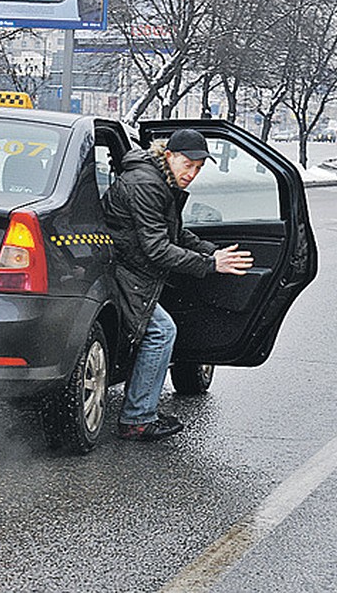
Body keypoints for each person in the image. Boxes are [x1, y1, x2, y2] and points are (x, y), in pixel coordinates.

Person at [101, 129, 253, 441]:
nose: (192, 173)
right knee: (161, 331)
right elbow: (157, 248)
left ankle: (138, 410)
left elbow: (175, 234)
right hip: (122, 271)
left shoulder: (160, 180)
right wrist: (210, 265)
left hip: (131, 267)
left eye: (198, 168)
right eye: (188, 164)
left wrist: (211, 251)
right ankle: (137, 419)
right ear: (169, 156)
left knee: (158, 329)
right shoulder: (147, 184)